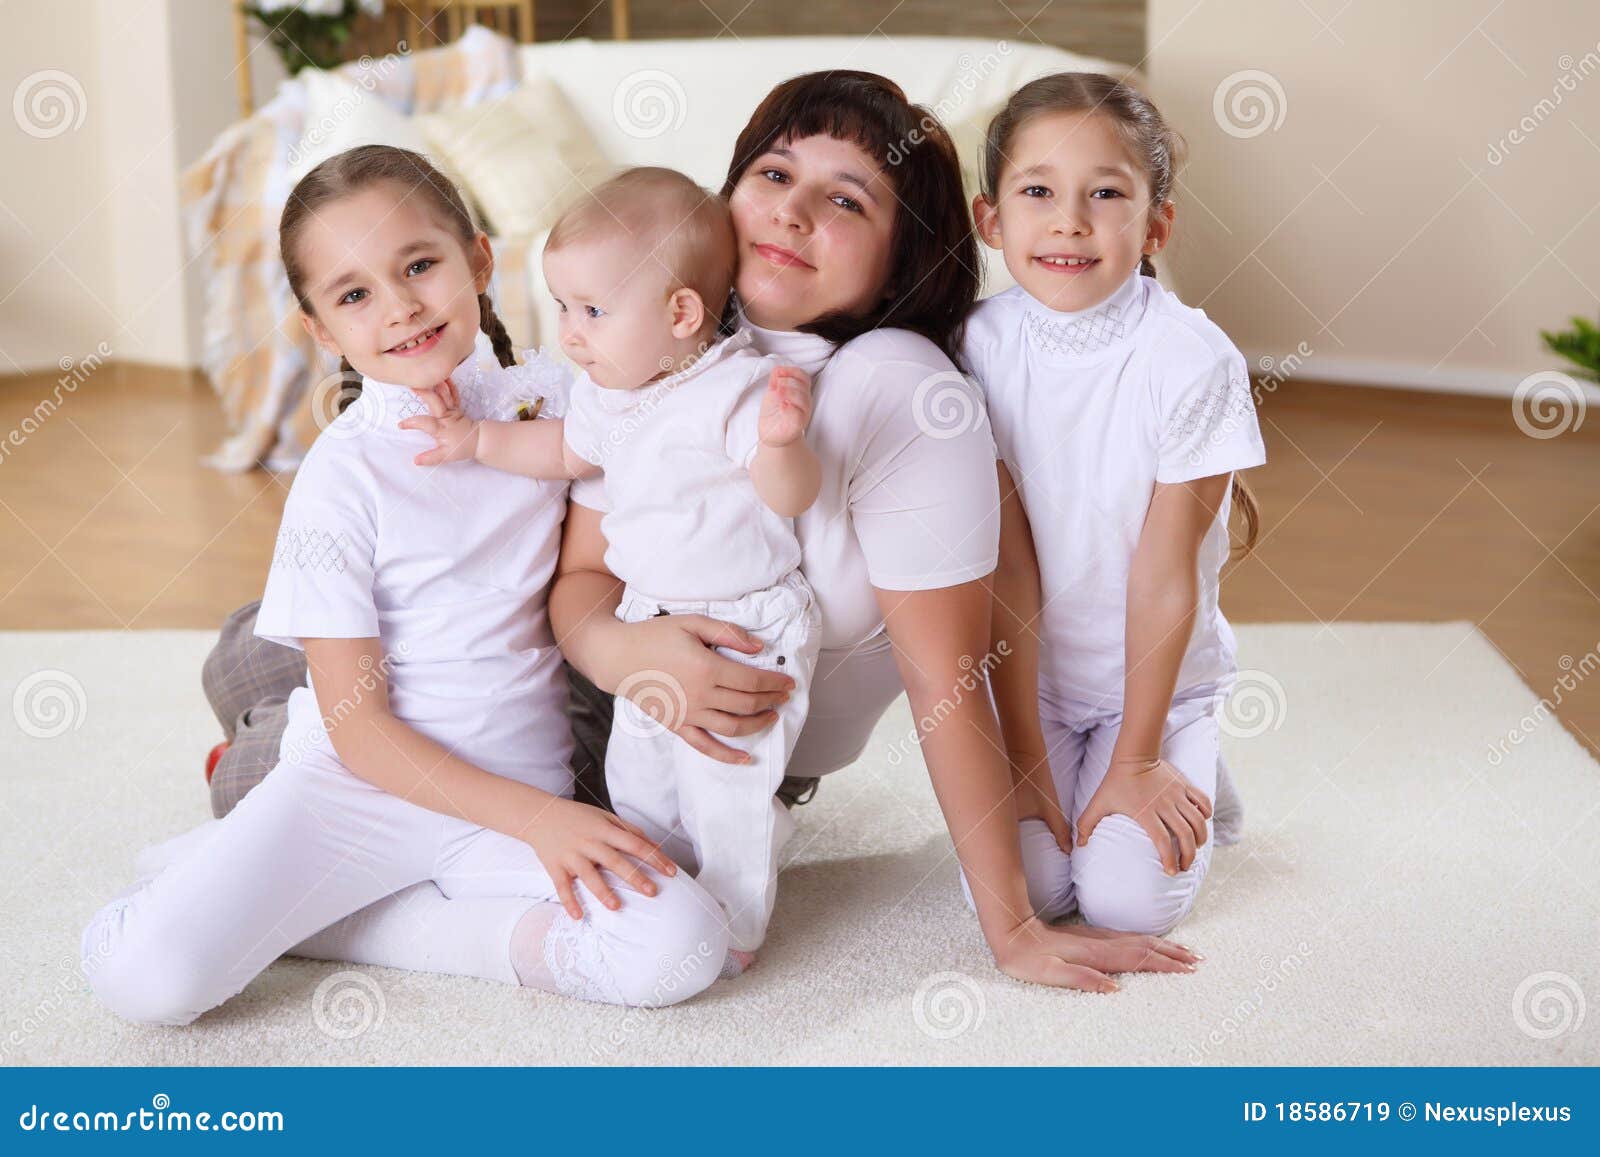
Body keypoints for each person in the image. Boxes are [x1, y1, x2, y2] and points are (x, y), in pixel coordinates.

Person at [80, 145, 728, 1026]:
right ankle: (212, 880)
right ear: (321, 329)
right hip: (359, 788)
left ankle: (340, 922)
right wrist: (543, 822)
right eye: (355, 294)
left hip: (513, 793)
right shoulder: (340, 478)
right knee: (144, 983)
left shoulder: (557, 406)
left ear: (479, 259)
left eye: (419, 264)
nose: (401, 306)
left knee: (683, 942)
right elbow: (357, 727)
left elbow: (670, 399)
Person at [401, 166, 823, 967]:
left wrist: (781, 443)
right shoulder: (604, 392)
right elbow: (563, 451)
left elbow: (791, 492)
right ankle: (665, 882)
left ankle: (734, 925)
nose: (571, 334)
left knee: (721, 782)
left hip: (746, 624)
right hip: (648, 618)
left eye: (592, 311)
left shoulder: (732, 389)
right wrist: (476, 442)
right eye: (563, 307)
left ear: (681, 313)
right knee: (640, 777)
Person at [961, 73, 1266, 935]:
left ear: (1155, 223)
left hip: (1157, 686)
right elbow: (1005, 566)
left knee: (1123, 903)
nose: (1068, 220)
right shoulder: (974, 350)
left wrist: (1137, 760)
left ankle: (1185, 749)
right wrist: (1021, 757)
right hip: (1036, 689)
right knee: (1031, 889)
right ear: (992, 220)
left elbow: (1163, 575)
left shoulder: (1192, 359)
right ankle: (1100, 762)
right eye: (1037, 192)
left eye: (1105, 193)